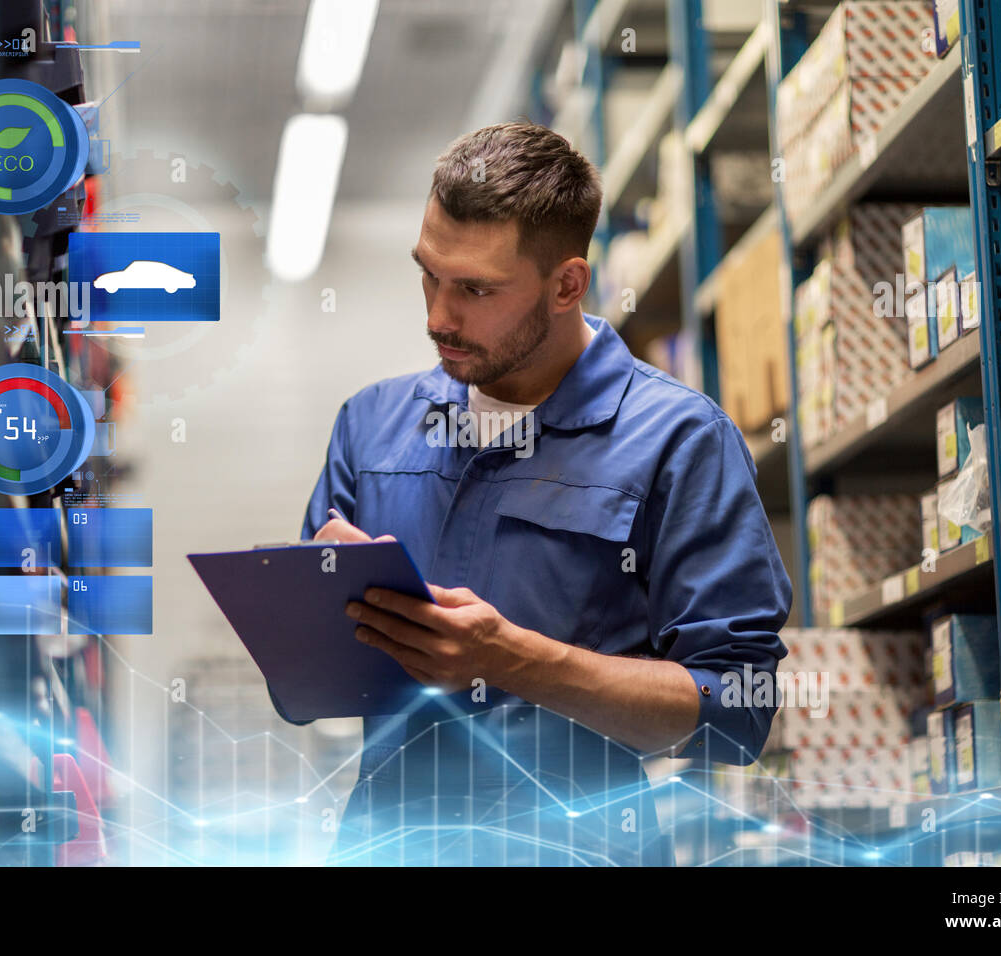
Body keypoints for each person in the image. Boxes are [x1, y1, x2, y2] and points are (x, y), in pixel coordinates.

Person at [300, 122, 791, 866]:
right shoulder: (371, 428)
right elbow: (302, 689)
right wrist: (309, 613)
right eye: (428, 273)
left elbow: (736, 711)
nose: (438, 315)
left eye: (475, 290)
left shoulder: (676, 440)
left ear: (566, 284)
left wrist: (514, 661)